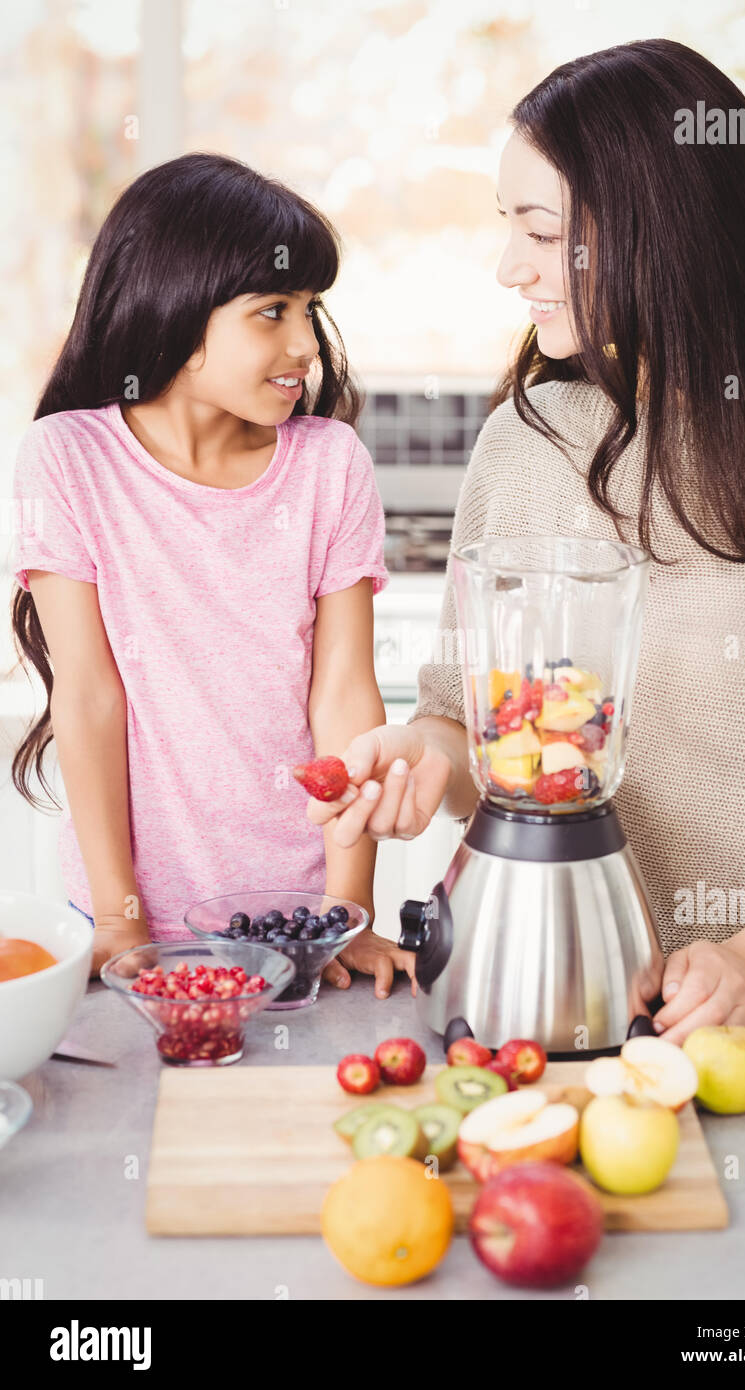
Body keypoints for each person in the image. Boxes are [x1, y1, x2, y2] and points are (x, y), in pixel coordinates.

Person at [307, 39, 745, 1044]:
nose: (506, 265)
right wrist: (423, 758)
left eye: (539, 230)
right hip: (528, 1005)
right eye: (504, 226)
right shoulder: (522, 441)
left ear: (667, 228)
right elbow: (461, 724)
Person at [10, 152, 416, 997]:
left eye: (311, 311)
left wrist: (348, 912)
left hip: (297, 923)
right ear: (176, 306)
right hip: (131, 919)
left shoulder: (329, 464)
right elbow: (88, 696)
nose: (304, 343)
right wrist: (121, 922)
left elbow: (343, 694)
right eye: (272, 312)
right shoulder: (68, 459)